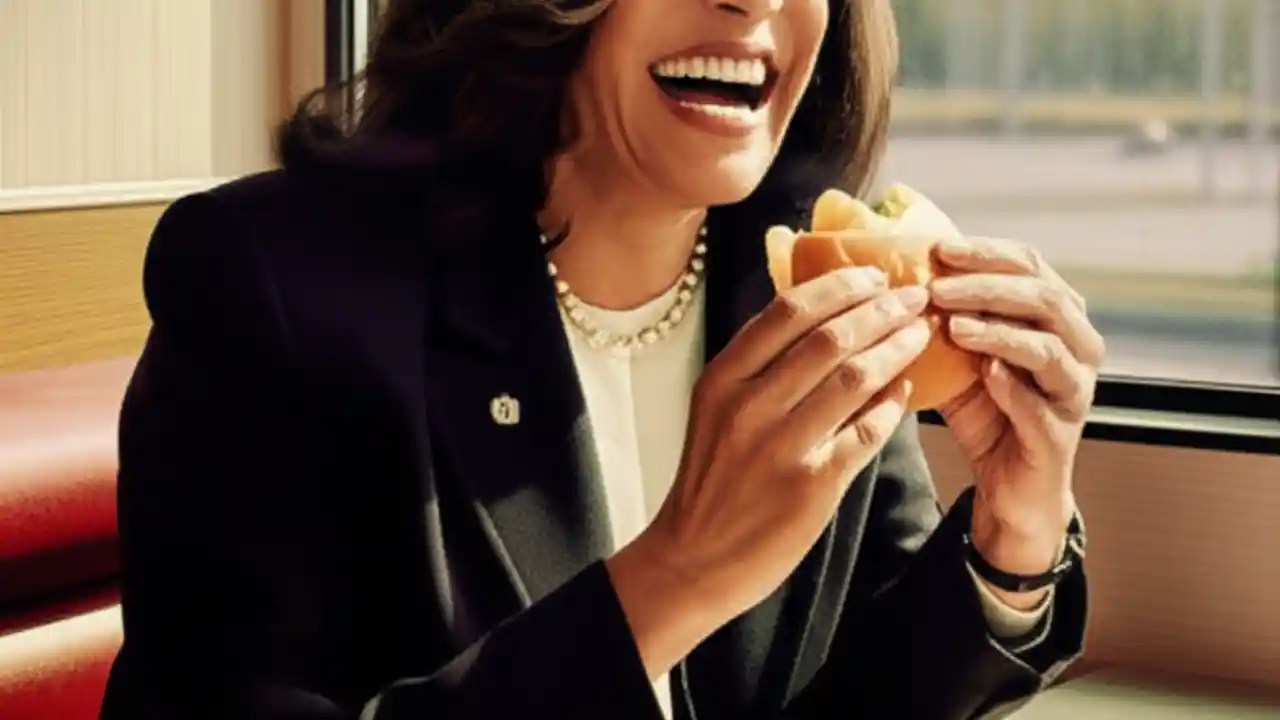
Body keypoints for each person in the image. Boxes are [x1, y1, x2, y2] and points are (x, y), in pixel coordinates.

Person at [100, 0, 1104, 718]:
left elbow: (868, 686)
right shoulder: (267, 283)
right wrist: (670, 582)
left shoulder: (802, 279)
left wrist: (1011, 538)